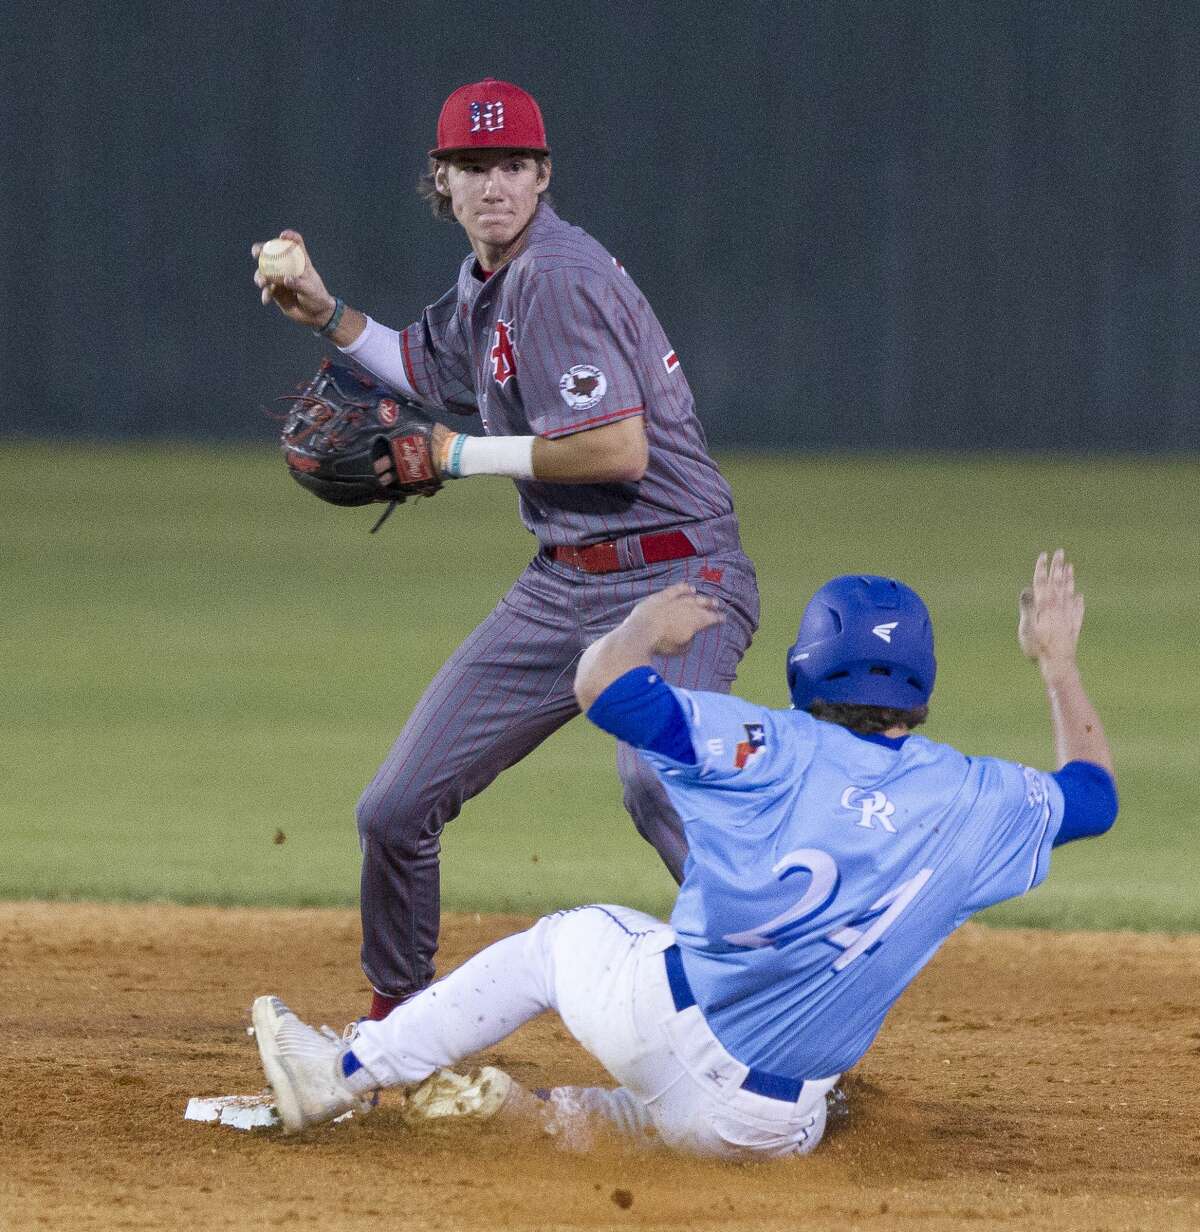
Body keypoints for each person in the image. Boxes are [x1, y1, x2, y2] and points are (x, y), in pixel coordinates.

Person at [251, 549, 1118, 1160]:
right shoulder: (977, 799)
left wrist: (641, 627)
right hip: (779, 1128)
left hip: (682, 1039)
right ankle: (533, 1120)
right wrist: (1059, 663)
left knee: (565, 942)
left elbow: (601, 687)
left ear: (806, 663)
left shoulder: (761, 743)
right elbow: (1095, 795)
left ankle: (341, 1070)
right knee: (709, 1102)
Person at [251, 79, 759, 1020]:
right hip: (561, 586)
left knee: (659, 781)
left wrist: (454, 455)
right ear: (440, 182)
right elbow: (422, 367)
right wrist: (327, 312)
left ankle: (778, 1002)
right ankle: (402, 1030)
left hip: (678, 575)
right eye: (473, 167)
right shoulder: (487, 281)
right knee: (394, 812)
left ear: (542, 176)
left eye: (513, 166)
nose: (495, 186)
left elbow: (617, 448)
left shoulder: (556, 278)